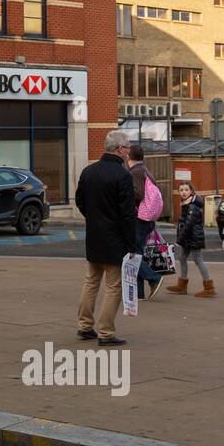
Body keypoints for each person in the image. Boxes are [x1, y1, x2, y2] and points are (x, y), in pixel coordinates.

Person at [73, 129, 140, 346]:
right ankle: (106, 332)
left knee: (91, 281)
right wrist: (132, 244)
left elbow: (80, 201)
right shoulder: (123, 176)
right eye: (127, 148)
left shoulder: (88, 171)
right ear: (120, 150)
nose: (129, 152)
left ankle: (84, 326)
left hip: (94, 236)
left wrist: (93, 219)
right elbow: (128, 214)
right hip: (115, 239)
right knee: (113, 286)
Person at [127, 143, 166, 298]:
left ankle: (154, 277)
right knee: (139, 253)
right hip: (149, 217)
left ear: (129, 156)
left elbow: (138, 194)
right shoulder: (145, 170)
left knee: (132, 255)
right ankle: (139, 293)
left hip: (140, 218)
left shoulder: (135, 172)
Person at [167, 182, 215, 297]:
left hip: (194, 237)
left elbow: (189, 224)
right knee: (182, 258)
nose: (183, 192)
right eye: (181, 190)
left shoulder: (193, 206)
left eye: (186, 190)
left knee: (198, 259)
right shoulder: (186, 203)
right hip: (187, 238)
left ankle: (209, 288)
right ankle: (182, 286)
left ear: (191, 192)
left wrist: (179, 239)